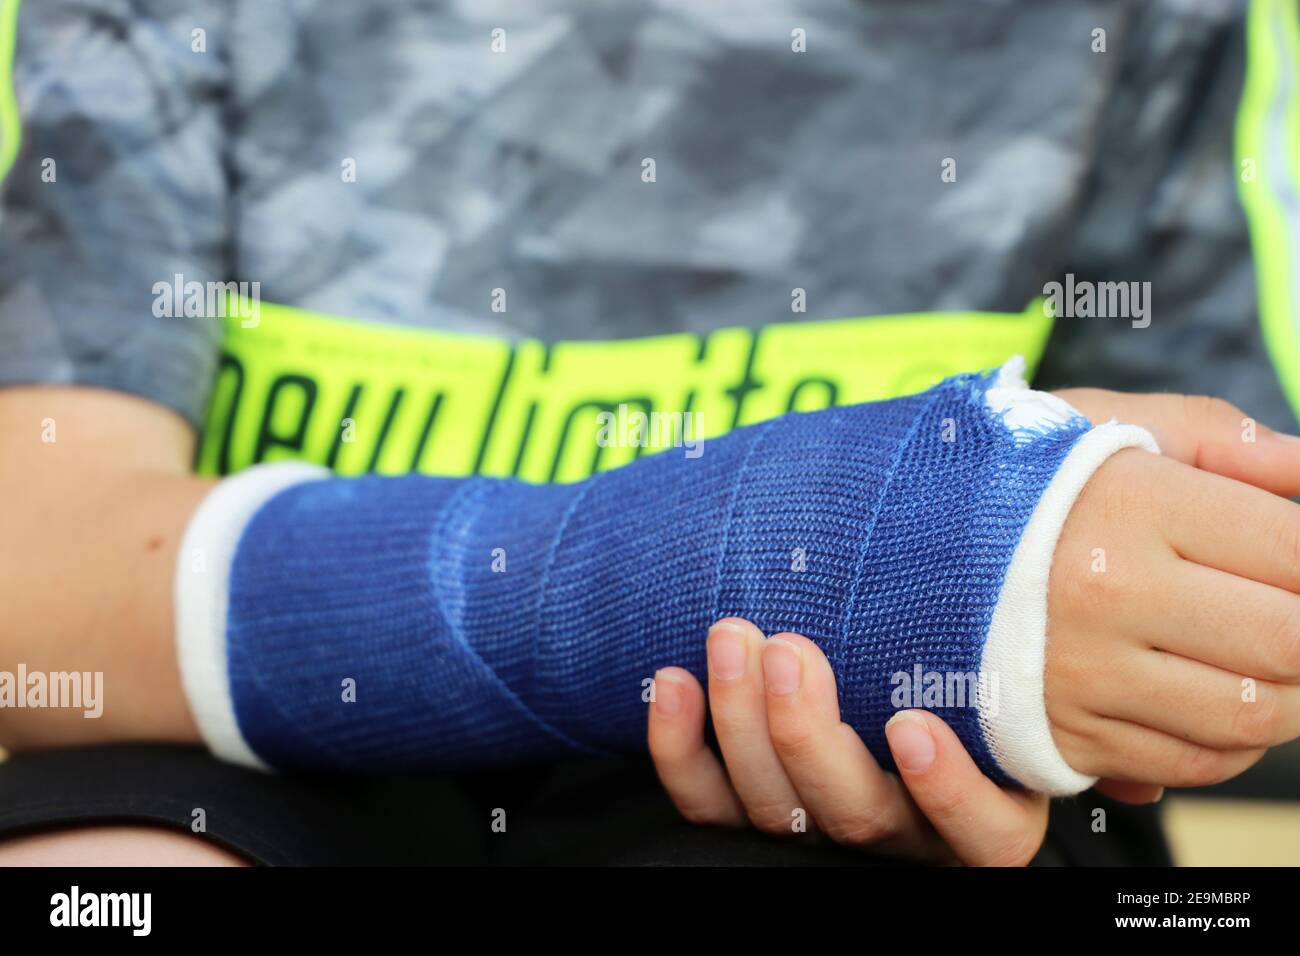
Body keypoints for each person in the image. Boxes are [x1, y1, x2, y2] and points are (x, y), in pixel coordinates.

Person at [0, 0, 1297, 866]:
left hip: (898, 805)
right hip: (262, 748)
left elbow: (1202, 586)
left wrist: (991, 679)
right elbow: (34, 583)